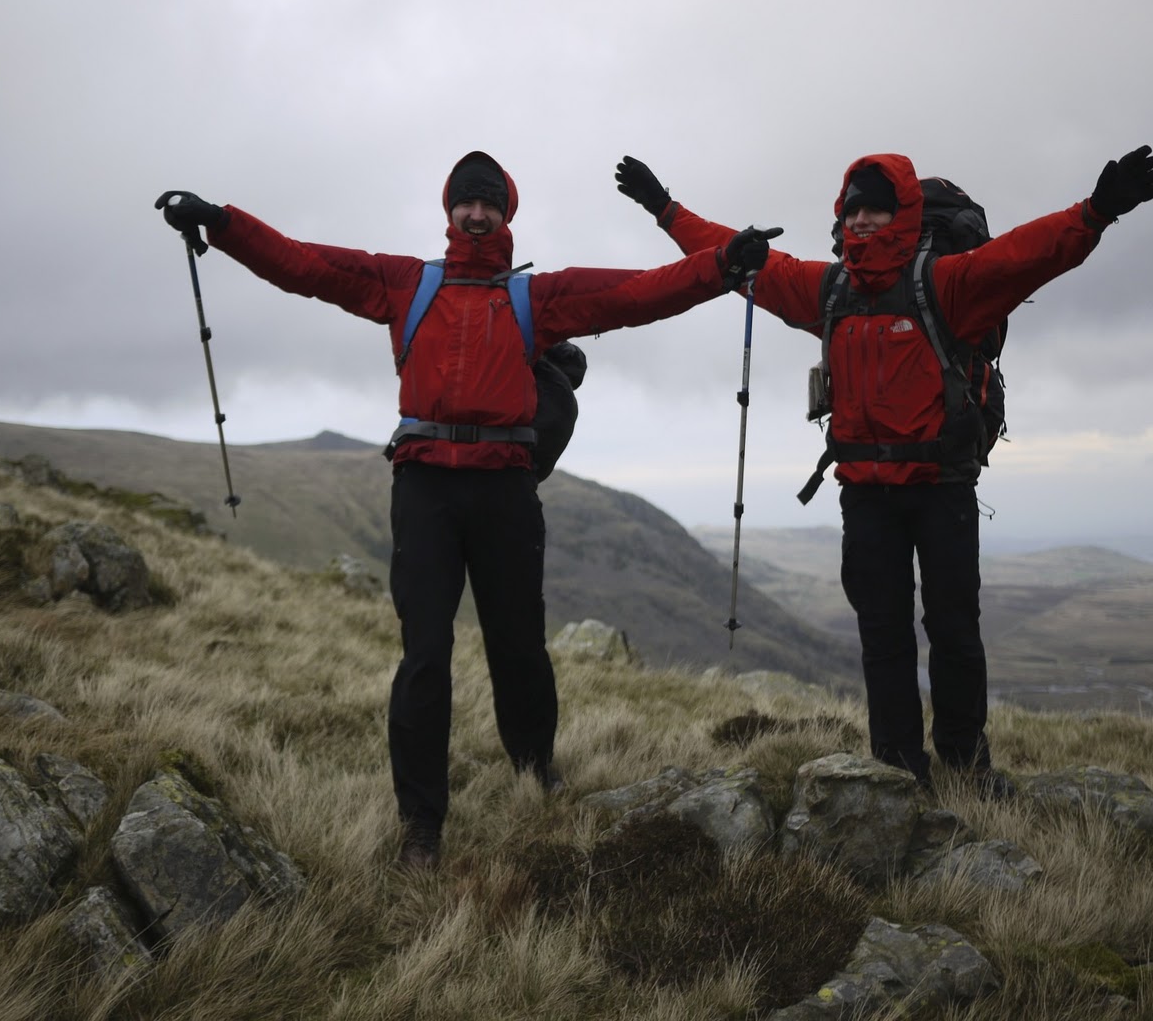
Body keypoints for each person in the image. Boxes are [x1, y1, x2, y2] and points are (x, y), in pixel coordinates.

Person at [158, 151, 779, 866]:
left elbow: (636, 293)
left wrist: (722, 265)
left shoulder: (537, 298)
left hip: (504, 490)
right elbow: (304, 264)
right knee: (425, 656)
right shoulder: (405, 283)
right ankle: (421, 825)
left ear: (505, 214)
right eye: (466, 203)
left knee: (519, 647)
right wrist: (222, 224)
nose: (477, 214)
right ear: (449, 210)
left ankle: (534, 772)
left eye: (489, 204)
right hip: (425, 488)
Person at [615, 146, 1153, 794]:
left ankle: (965, 766)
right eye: (853, 211)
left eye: (875, 210)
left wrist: (1096, 212)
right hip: (864, 496)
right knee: (883, 637)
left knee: (953, 632)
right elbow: (737, 256)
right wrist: (664, 209)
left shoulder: (945, 285)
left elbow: (1026, 255)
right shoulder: (830, 289)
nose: (862, 221)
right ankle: (898, 770)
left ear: (901, 214)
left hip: (942, 490)